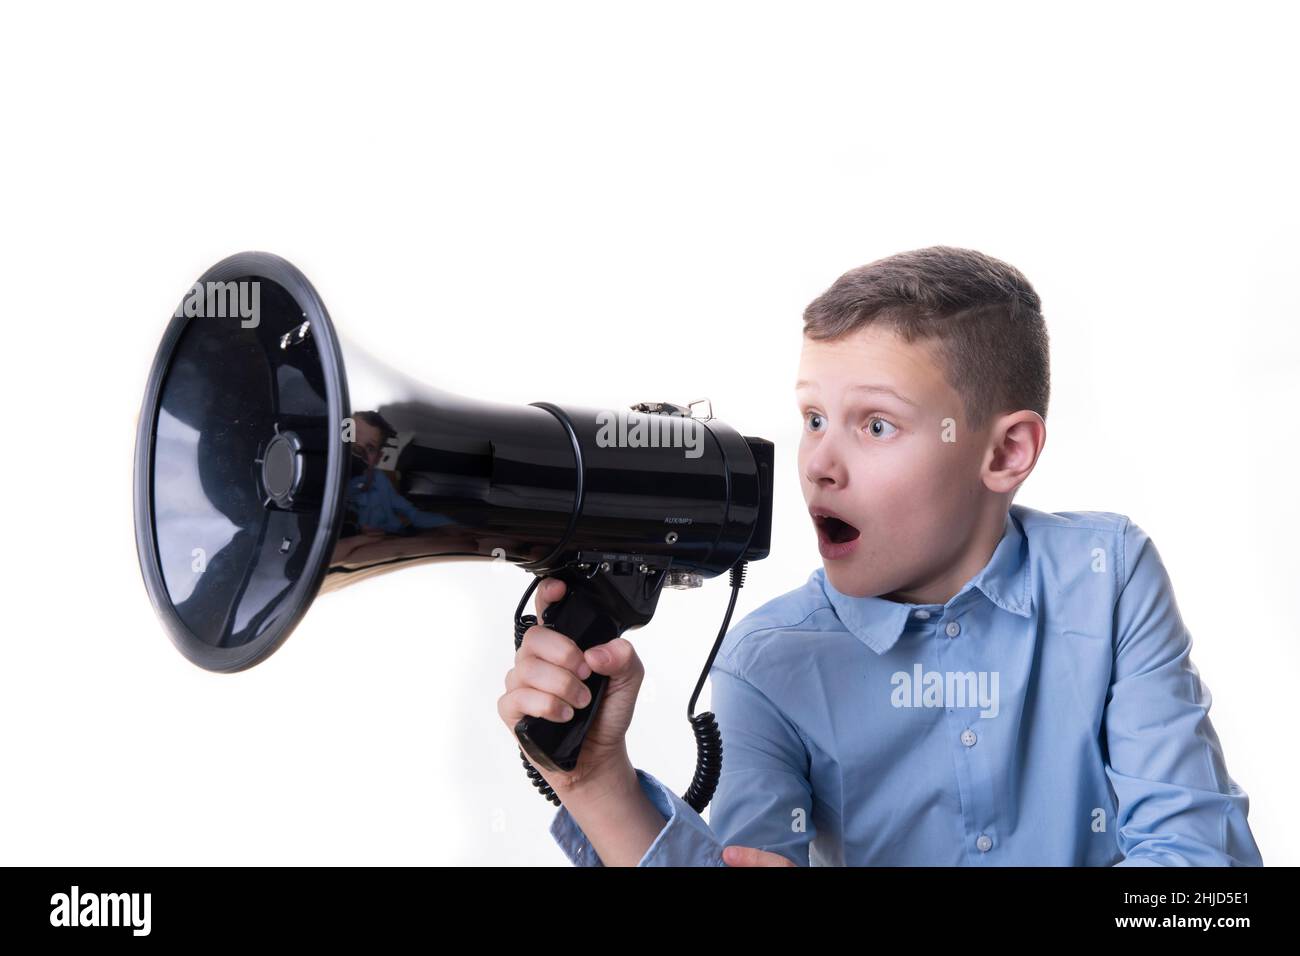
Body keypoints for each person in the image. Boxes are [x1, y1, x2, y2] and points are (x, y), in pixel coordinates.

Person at [497, 246, 1264, 867]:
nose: (819, 464)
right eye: (814, 417)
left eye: (875, 426)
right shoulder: (769, 663)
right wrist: (597, 785)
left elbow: (1201, 878)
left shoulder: (1108, 578)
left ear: (1006, 452)